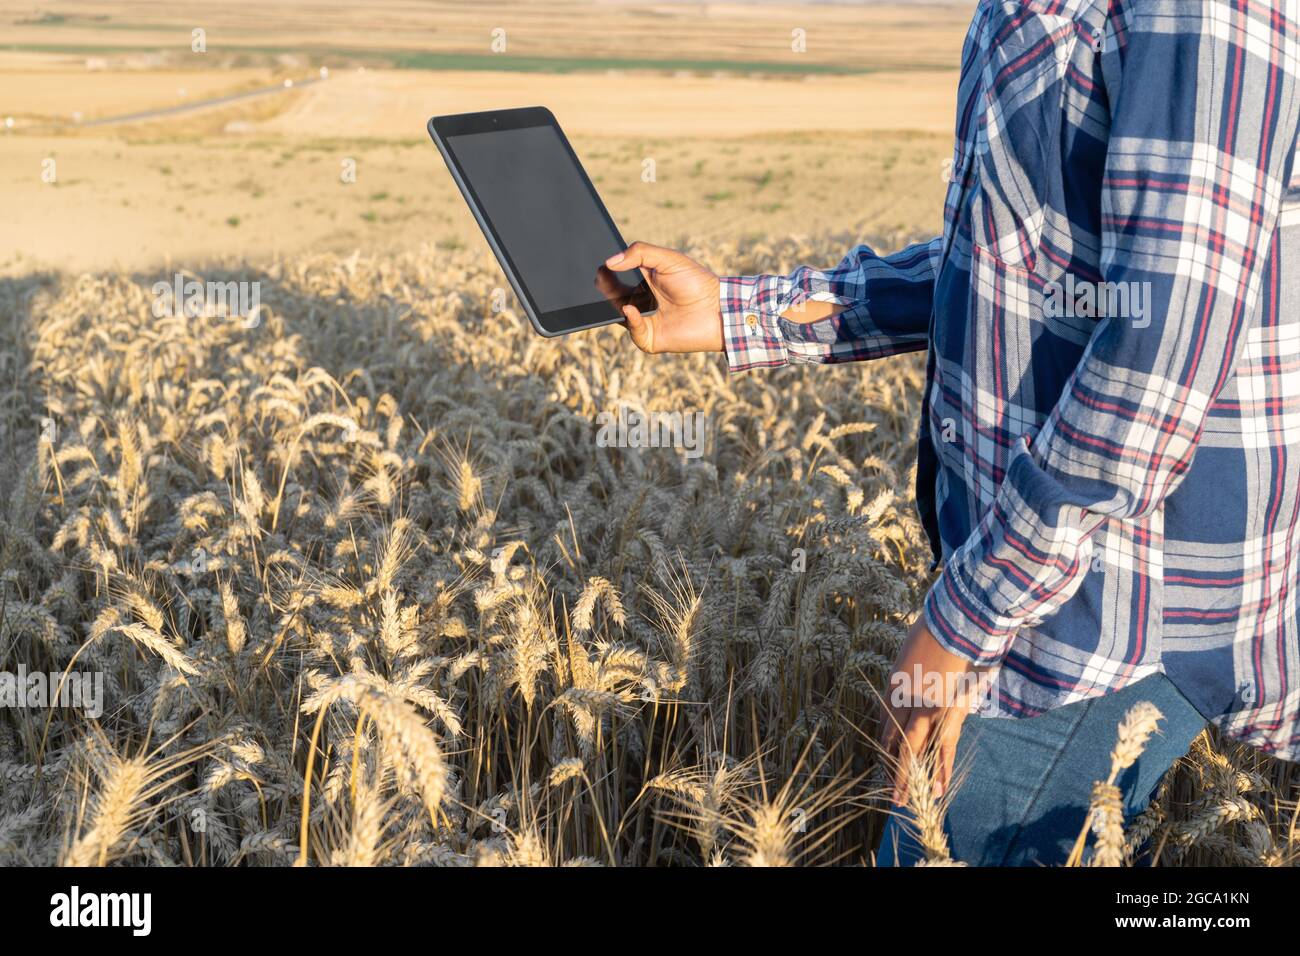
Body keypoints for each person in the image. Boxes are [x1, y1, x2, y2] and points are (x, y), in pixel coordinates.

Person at [603, 0, 1300, 866]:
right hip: (1041, 579)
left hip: (1109, 606)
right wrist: (742, 311)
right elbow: (1020, 257)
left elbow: (1161, 351)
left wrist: (969, 617)